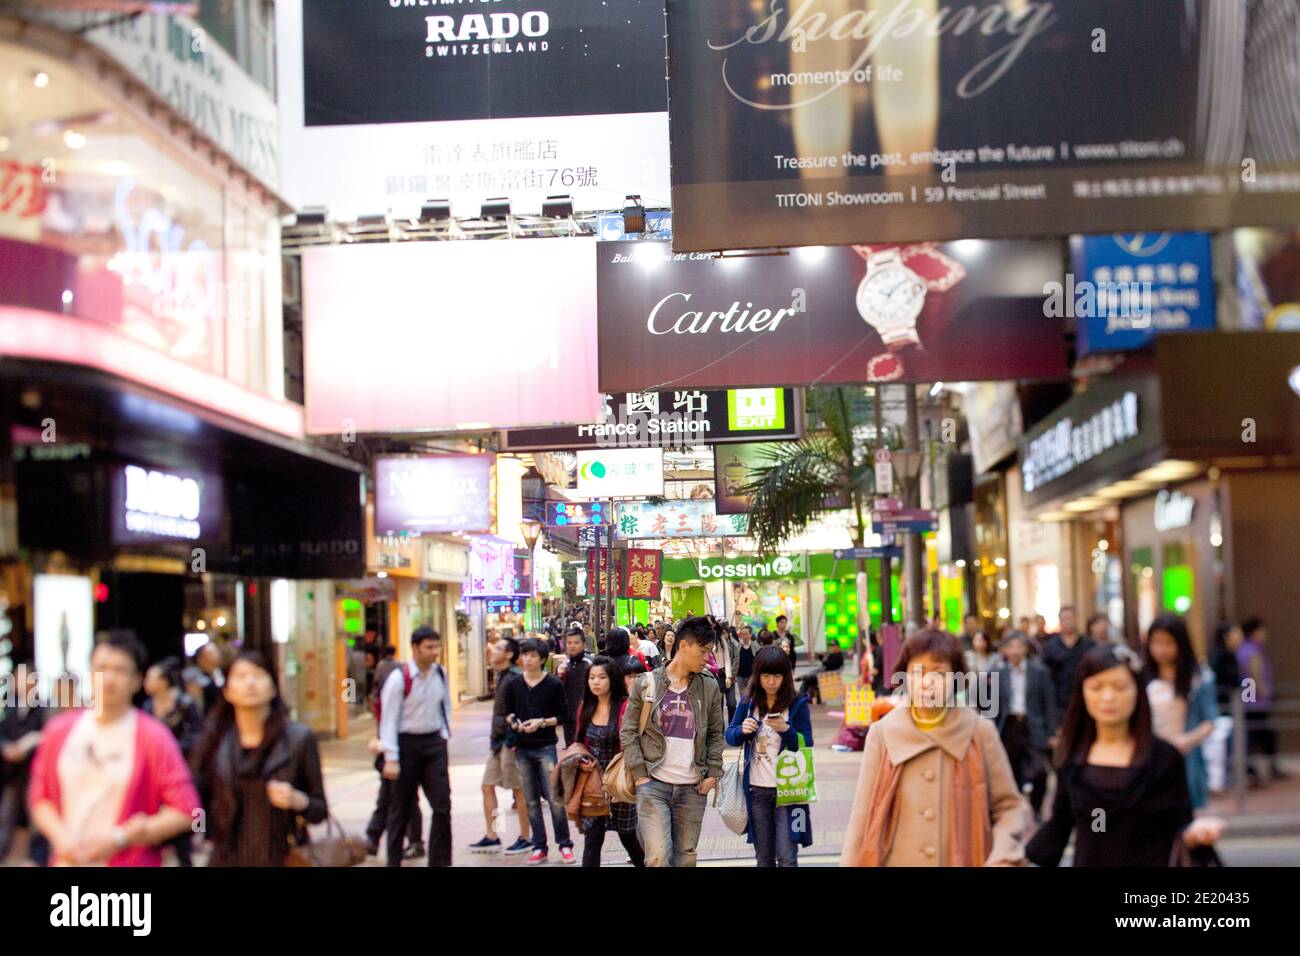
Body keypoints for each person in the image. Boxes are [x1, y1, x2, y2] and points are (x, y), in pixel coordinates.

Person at [840, 629, 1028, 867]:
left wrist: (1003, 856)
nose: (927, 682)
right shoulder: (882, 734)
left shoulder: (979, 732)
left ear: (957, 679)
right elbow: (863, 815)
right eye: (918, 672)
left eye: (939, 673)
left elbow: (1008, 807)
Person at [1026, 644, 1224, 867]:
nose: (1108, 697)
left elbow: (1180, 826)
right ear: (1082, 692)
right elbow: (1057, 830)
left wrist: (1196, 834)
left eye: (1119, 687)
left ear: (1138, 691)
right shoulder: (1072, 760)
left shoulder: (1165, 758)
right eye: (1096, 687)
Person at [29, 632, 199, 866]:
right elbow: (40, 797)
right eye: (101, 668)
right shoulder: (59, 730)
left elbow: (186, 811)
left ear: (137, 680)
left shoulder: (154, 737)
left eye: (119, 670)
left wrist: (121, 837)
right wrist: (61, 837)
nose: (108, 678)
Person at [190, 652, 328, 866]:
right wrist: (202, 834)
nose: (250, 683)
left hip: (283, 858)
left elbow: (320, 810)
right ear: (227, 691)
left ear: (273, 688)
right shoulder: (214, 743)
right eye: (241, 676)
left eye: (258, 675)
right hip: (227, 859)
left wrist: (298, 801)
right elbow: (197, 804)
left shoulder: (299, 739)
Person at [621, 616, 725, 868]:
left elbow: (715, 733)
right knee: (657, 857)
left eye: (710, 652)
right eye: (703, 652)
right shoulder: (647, 683)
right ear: (683, 646)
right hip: (654, 784)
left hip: (692, 787)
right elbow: (629, 731)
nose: (707, 659)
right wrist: (639, 774)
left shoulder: (709, 687)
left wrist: (712, 773)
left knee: (685, 858)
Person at [725, 646, 814, 866]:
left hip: (790, 791)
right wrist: (741, 731)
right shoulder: (748, 703)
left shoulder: (797, 704)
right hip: (757, 791)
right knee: (764, 858)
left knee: (786, 856)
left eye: (777, 676)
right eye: (766, 676)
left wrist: (787, 730)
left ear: (786, 676)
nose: (771, 682)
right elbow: (730, 735)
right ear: (758, 675)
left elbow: (806, 744)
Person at [379, 626, 452, 867]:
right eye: (429, 647)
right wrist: (391, 756)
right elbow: (388, 718)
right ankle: (393, 862)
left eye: (436, 646)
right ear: (415, 648)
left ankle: (440, 862)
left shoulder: (440, 673)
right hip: (406, 746)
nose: (434, 652)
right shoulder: (399, 678)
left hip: (434, 745)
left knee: (442, 805)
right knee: (401, 810)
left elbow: (446, 705)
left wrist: (443, 733)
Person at [504, 638, 575, 864]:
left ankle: (564, 844)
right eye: (525, 655)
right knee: (531, 800)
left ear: (542, 659)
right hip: (522, 749)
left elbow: (563, 716)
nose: (527, 659)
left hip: (545, 747)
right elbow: (508, 713)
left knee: (554, 797)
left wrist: (542, 722)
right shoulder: (514, 684)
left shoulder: (553, 684)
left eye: (532, 655)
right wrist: (515, 723)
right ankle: (539, 846)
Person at [1142, 614, 1217, 810]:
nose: (1161, 650)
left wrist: (1186, 741)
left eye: (1168, 643)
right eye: (1156, 643)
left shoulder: (1198, 677)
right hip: (1149, 757)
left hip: (1184, 757)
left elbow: (1210, 720)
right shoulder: (1141, 676)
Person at [575, 656, 645, 867]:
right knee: (593, 839)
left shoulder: (625, 706)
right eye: (592, 677)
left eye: (601, 677)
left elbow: (631, 743)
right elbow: (578, 742)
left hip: (619, 781)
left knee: (628, 837)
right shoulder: (584, 707)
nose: (595, 682)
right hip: (593, 784)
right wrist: (581, 760)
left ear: (612, 679)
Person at [470, 637, 532, 855]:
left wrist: (513, 740)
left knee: (519, 790)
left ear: (508, 654)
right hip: (498, 741)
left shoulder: (515, 677)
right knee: (487, 785)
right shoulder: (503, 675)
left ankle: (526, 837)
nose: (491, 651)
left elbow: (522, 711)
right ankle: (492, 835)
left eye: (497, 648)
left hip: (510, 742)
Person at [142, 656, 204, 866]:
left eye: (152, 677)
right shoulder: (148, 706)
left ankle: (196, 839)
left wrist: (170, 748)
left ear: (164, 681)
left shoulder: (184, 703)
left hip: (183, 768)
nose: (147, 681)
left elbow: (198, 736)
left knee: (185, 812)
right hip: (155, 773)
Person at [990, 632, 1056, 820]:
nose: (1015, 650)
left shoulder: (1039, 671)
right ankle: (1015, 808)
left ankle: (1036, 808)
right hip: (1009, 725)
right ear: (1004, 650)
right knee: (1010, 769)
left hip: (1033, 725)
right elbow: (991, 703)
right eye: (1010, 646)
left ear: (1026, 648)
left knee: (1039, 771)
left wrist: (1051, 732)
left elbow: (1048, 702)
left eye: (1018, 646)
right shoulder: (998, 673)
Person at [0, 666, 48, 864]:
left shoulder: (44, 707)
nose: (18, 681)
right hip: (12, 772)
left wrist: (25, 747)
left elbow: (45, 735)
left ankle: (38, 859)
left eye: (22, 677)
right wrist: (6, 748)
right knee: (6, 816)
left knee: (38, 819)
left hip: (33, 771)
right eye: (16, 678)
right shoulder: (9, 706)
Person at [1236, 616, 1287, 783]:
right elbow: (1254, 674)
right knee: (1260, 733)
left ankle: (1253, 769)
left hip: (1249, 697)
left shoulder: (1242, 649)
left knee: (1254, 734)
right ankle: (1258, 769)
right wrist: (1264, 693)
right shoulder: (1252, 650)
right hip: (1256, 700)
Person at [1041, 606, 1094, 734]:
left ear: (1076, 620)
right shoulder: (1050, 646)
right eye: (1064, 619)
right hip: (1059, 703)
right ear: (1060, 621)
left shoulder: (1089, 644)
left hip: (1085, 701)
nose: (1068, 622)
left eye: (1070, 618)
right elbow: (1046, 678)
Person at [1208, 621, 1244, 791]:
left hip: (1229, 707)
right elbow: (1233, 681)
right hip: (1223, 709)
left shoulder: (1232, 655)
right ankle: (1221, 781)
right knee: (1223, 747)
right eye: (1236, 634)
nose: (1239, 638)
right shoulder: (1221, 656)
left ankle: (1228, 779)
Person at [557, 625, 593, 747]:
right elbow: (557, 692)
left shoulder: (590, 664)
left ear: (583, 644)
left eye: (576, 643)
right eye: (569, 643)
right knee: (571, 749)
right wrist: (560, 675)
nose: (572, 646)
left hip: (588, 714)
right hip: (569, 716)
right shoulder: (563, 666)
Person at [193, 641, 224, 714]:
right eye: (211, 653)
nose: (216, 655)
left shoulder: (222, 673)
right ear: (200, 659)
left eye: (217, 652)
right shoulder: (196, 678)